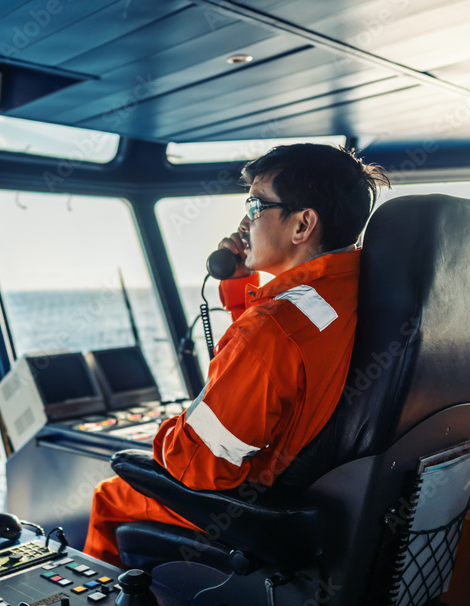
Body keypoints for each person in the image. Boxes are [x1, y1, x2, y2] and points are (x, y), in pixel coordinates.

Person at [83, 144, 389, 567]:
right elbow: (292, 351)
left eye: (256, 204)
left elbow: (199, 466)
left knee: (110, 496)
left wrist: (171, 430)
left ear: (302, 224)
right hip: (323, 499)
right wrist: (242, 282)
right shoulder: (349, 288)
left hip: (253, 500)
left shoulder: (270, 328)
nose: (245, 221)